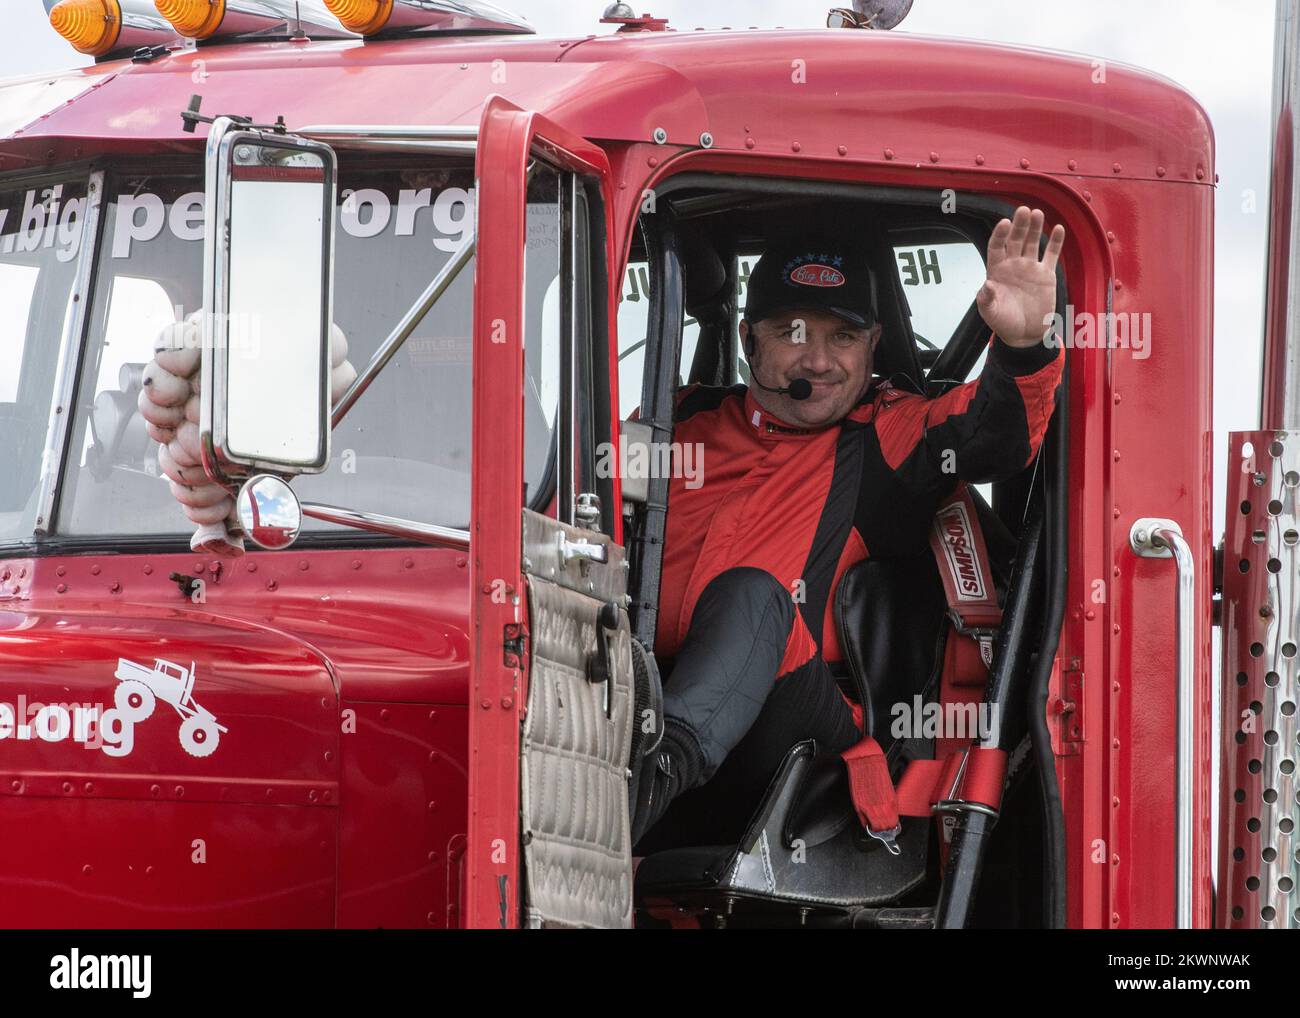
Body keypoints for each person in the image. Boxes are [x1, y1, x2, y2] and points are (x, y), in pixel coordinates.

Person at [631, 206, 1066, 847]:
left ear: (872, 346)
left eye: (843, 338)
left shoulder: (885, 436)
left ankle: (641, 790)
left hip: (797, 744)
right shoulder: (676, 422)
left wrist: (1023, 347)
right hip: (635, 696)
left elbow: (993, 436)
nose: (819, 361)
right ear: (750, 341)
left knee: (753, 596)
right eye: (793, 332)